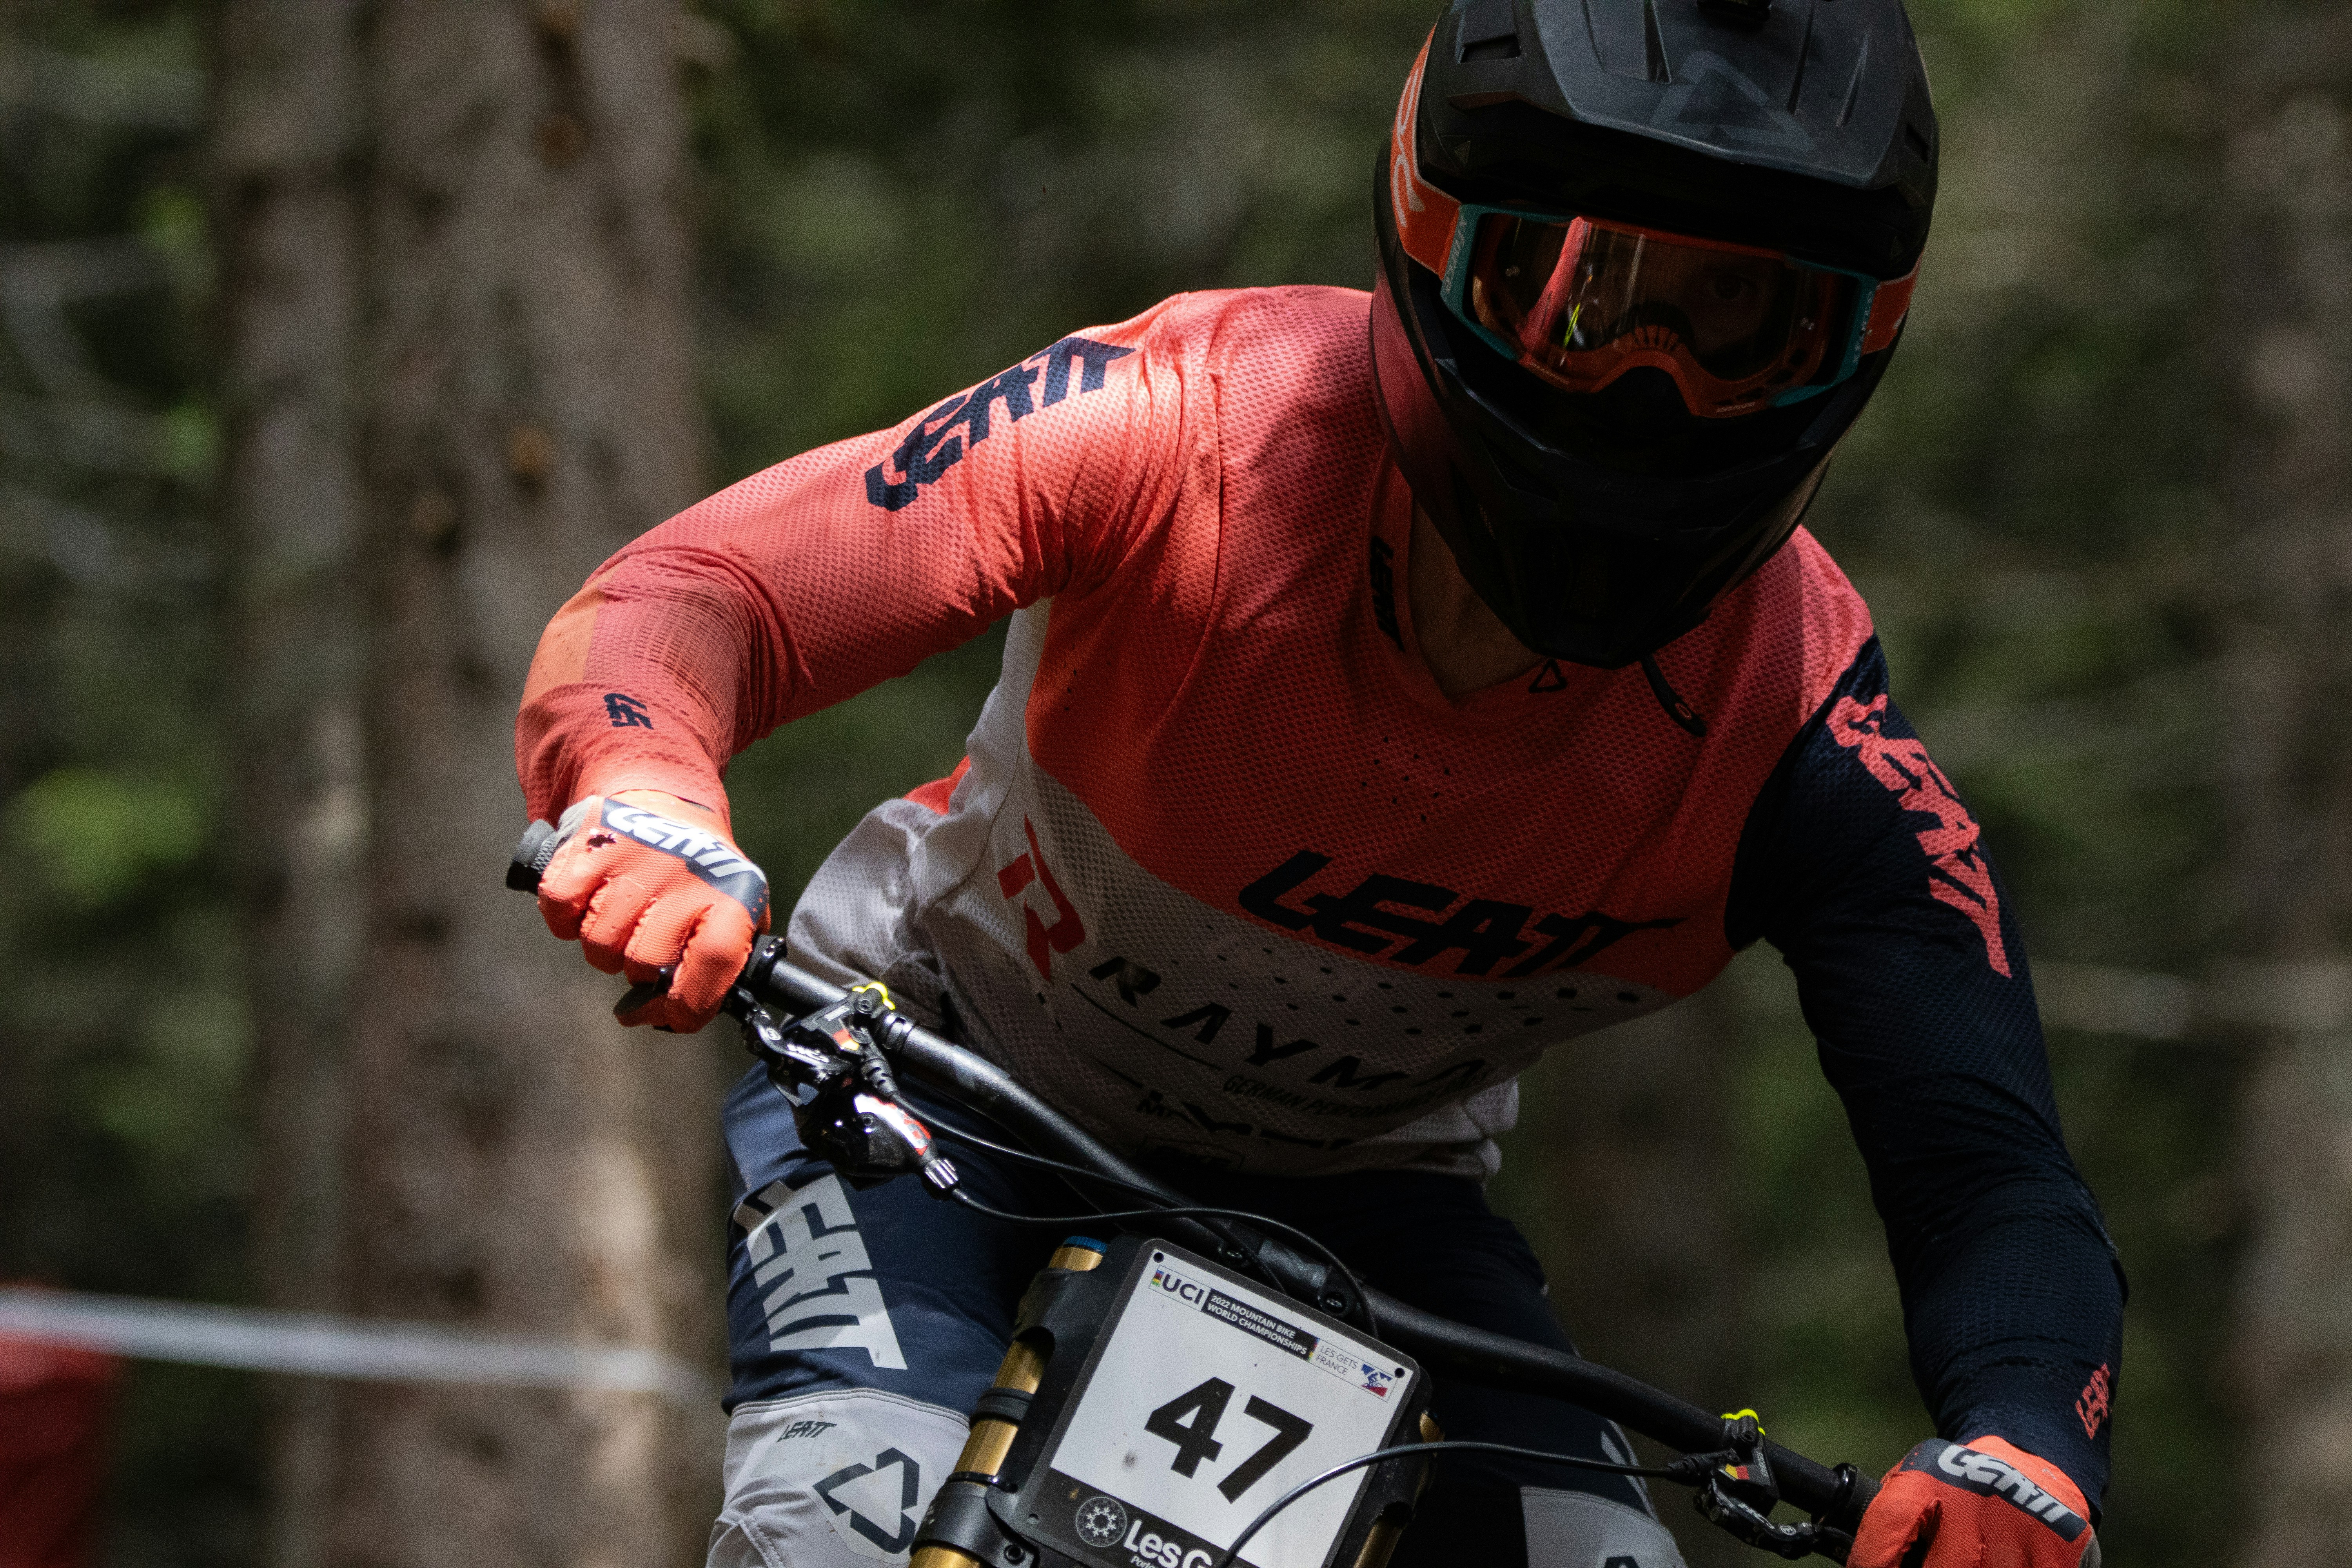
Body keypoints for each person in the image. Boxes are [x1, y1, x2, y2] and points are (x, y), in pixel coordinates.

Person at [514, 4, 2121, 1565]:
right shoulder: (1180, 427)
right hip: (944, 1098)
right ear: (1438, 240)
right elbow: (711, 594)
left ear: (1857, 345)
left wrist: (2023, 1435)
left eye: (1741, 326)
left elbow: (1987, 1162)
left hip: (1378, 1215)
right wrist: (649, 789)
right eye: (1581, 292)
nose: (1646, 383)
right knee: (835, 1524)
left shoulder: (1806, 728)